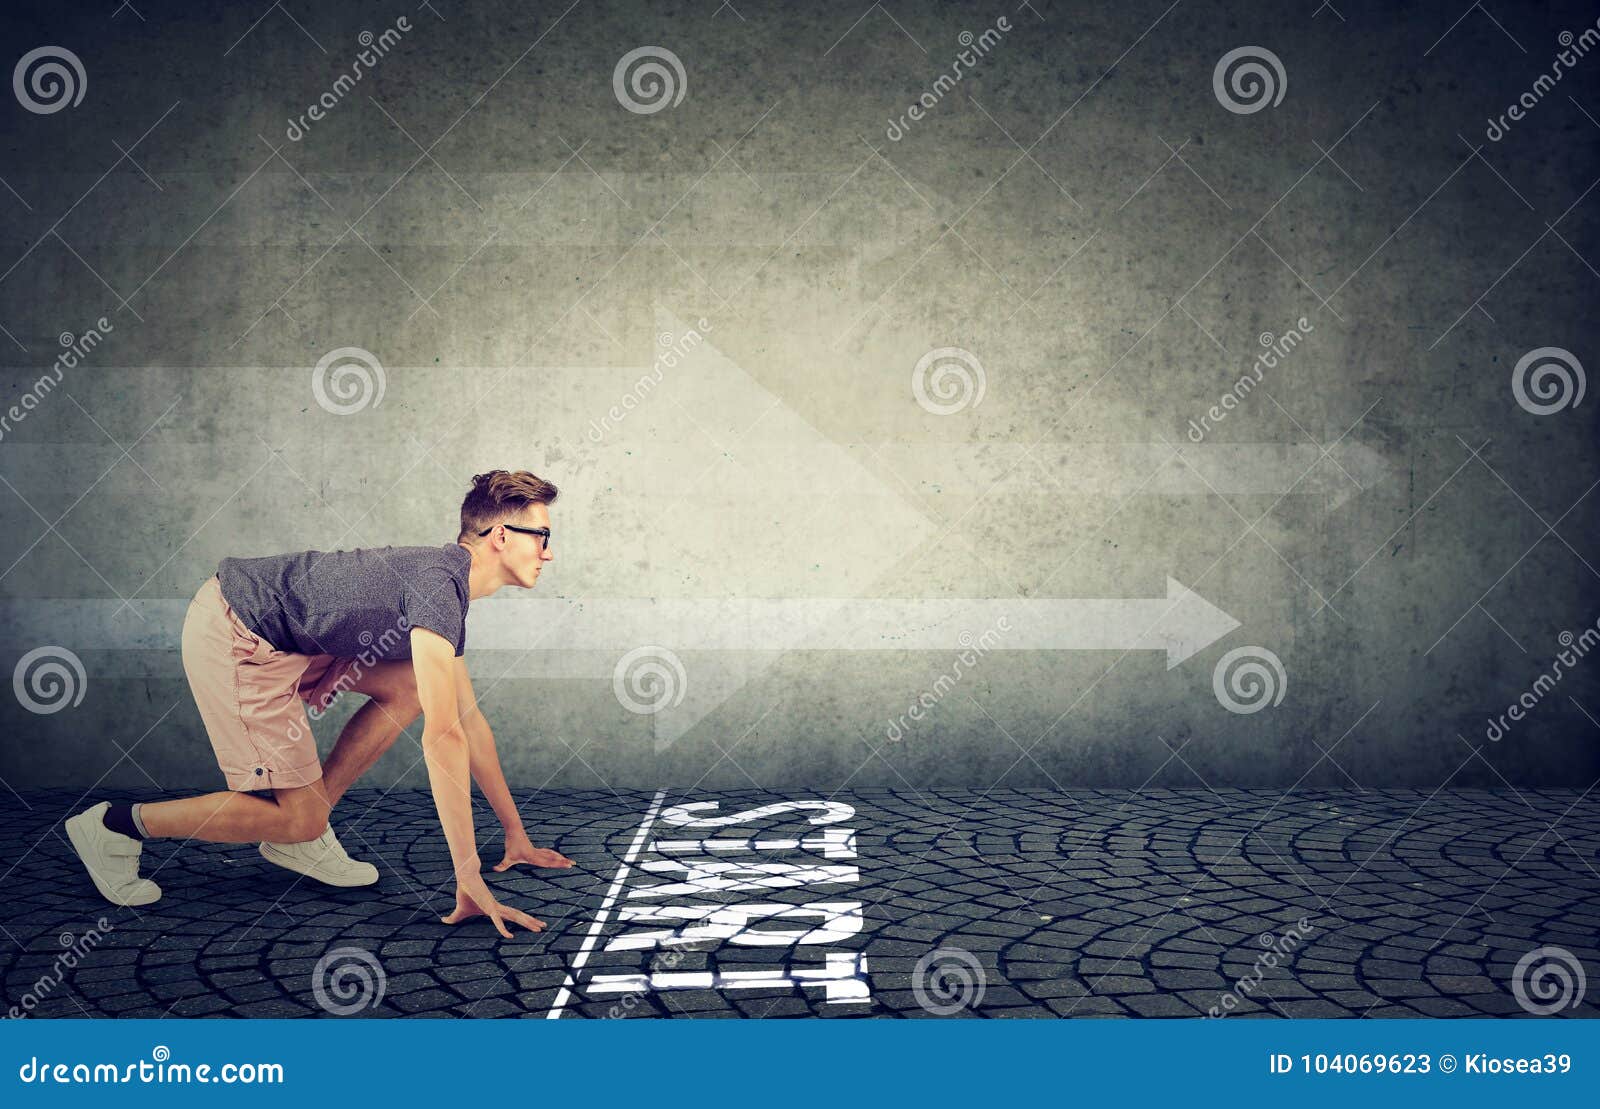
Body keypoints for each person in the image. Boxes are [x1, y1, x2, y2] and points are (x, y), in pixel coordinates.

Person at [64, 469, 573, 938]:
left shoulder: (445, 584)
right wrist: (469, 878)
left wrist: (515, 835)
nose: (548, 553)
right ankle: (113, 825)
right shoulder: (439, 588)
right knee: (298, 817)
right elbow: (443, 738)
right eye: (542, 536)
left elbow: (467, 721)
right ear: (501, 535)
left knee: (411, 687)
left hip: (291, 640)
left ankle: (302, 830)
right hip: (239, 635)